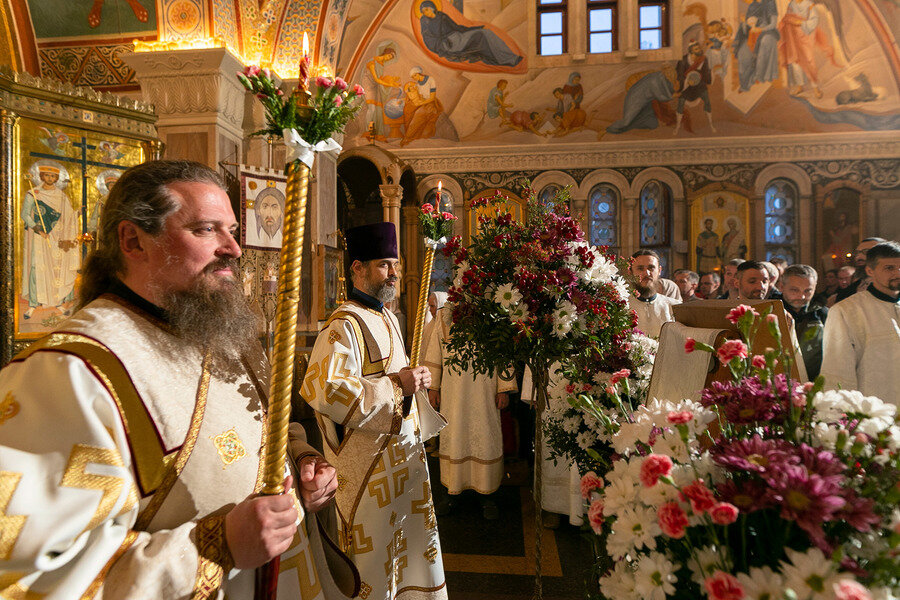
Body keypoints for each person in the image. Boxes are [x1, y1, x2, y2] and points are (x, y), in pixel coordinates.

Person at [0, 160, 355, 599]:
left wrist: (300, 463)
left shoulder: (218, 331)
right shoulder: (71, 372)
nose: (233, 248)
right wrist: (215, 547)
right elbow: (28, 577)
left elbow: (266, 430)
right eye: (206, 230)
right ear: (133, 241)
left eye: (232, 229)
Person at [301, 222, 448, 600]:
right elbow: (326, 390)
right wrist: (399, 384)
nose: (394, 273)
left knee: (408, 555)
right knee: (375, 566)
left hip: (403, 463)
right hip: (369, 470)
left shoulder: (388, 318)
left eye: (395, 264)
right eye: (384, 264)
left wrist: (415, 382)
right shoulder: (342, 325)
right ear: (357, 269)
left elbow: (401, 383)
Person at [424, 305, 517, 520]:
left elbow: (503, 350)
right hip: (452, 393)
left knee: (485, 436)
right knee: (453, 436)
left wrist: (504, 387)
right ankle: (451, 492)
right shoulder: (444, 314)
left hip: (485, 391)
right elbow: (435, 351)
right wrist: (434, 387)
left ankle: (488, 494)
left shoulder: (495, 311)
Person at [820, 241, 900, 405]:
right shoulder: (847, 311)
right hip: (873, 413)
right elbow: (837, 372)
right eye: (889, 268)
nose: (898, 273)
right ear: (870, 270)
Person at [20, 160, 80, 320]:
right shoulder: (33, 193)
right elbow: (24, 215)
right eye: (47, 175)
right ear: (41, 176)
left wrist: (76, 215)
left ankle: (63, 302)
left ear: (56, 178)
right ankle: (33, 304)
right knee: (36, 268)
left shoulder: (61, 196)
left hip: (58, 238)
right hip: (39, 237)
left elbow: (68, 217)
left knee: (59, 267)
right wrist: (37, 228)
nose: (50, 178)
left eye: (53, 176)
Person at [417, 0, 523, 67]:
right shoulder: (424, 21)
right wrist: (442, 45)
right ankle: (506, 59)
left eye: (426, 10)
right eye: (423, 11)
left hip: (458, 37)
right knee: (482, 35)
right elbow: (428, 40)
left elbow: (456, 27)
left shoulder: (442, 16)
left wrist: (475, 28)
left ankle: (510, 58)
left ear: (432, 8)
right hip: (449, 44)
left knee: (485, 32)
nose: (425, 13)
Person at [779, 0, 841, 98]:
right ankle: (800, 86)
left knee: (808, 61)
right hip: (792, 35)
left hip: (805, 35)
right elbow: (787, 17)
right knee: (795, 62)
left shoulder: (809, 4)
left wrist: (800, 22)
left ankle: (815, 88)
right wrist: (790, 20)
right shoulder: (792, 4)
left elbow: (814, 20)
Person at [781, 264, 828, 380]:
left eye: (808, 291)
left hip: (813, 382)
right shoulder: (772, 312)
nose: (801, 296)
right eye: (794, 290)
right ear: (781, 286)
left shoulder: (823, 314)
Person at [629, 250, 681, 338]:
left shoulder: (674, 306)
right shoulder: (621, 306)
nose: (647, 273)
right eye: (640, 268)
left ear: (659, 270)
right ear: (630, 272)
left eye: (651, 268)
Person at [674, 40, 715, 134]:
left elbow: (706, 73)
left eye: (699, 48)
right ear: (691, 51)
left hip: (699, 85)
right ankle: (677, 126)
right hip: (686, 86)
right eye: (696, 49)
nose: (699, 50)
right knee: (680, 102)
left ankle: (711, 123)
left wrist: (703, 78)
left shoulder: (703, 59)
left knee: (707, 100)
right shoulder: (683, 60)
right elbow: (679, 75)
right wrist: (686, 82)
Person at [834, 237, 885, 304]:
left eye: (866, 252)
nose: (858, 257)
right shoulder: (847, 292)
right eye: (857, 252)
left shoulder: (892, 287)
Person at [401, 67, 444, 146]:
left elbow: (431, 98)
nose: (414, 78)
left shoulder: (430, 80)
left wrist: (420, 103)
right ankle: (410, 137)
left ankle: (407, 139)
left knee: (418, 114)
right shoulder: (417, 84)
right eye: (413, 77)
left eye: (414, 76)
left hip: (430, 104)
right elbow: (417, 95)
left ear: (419, 73)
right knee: (408, 110)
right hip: (422, 102)